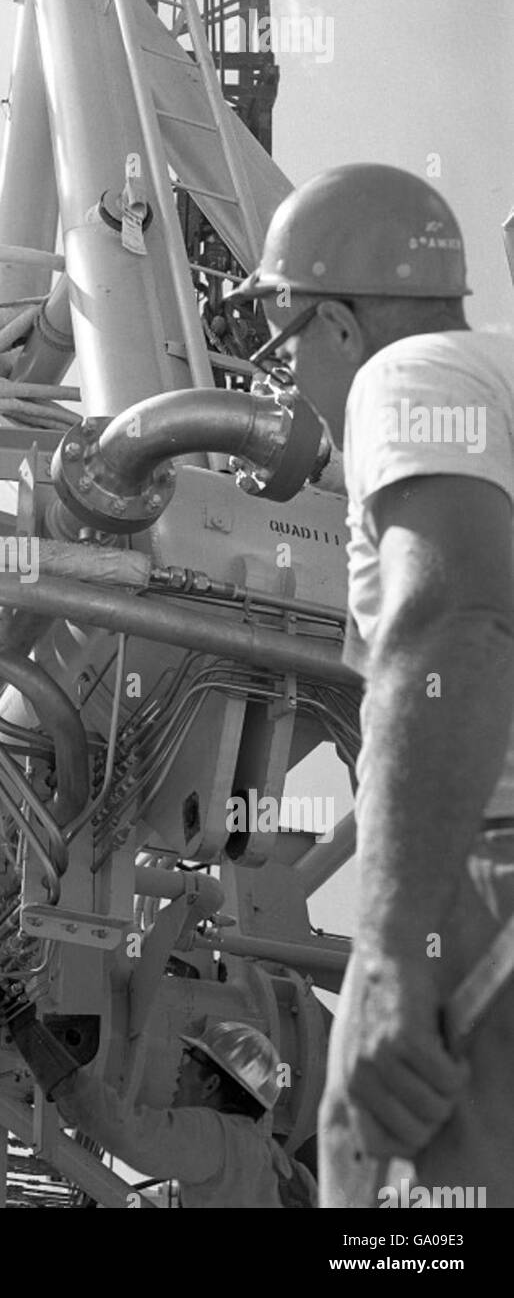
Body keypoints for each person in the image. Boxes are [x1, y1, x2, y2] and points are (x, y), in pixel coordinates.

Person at [229, 163, 514, 1205]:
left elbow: (450, 621)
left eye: (283, 339)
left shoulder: (414, 376)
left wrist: (394, 951)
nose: (285, 374)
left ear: (338, 325)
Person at [6, 1006, 315, 1208]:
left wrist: (37, 1045)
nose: (180, 1071)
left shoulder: (215, 1135)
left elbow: (125, 1131)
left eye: (189, 1060)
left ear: (212, 1085)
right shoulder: (276, 1162)